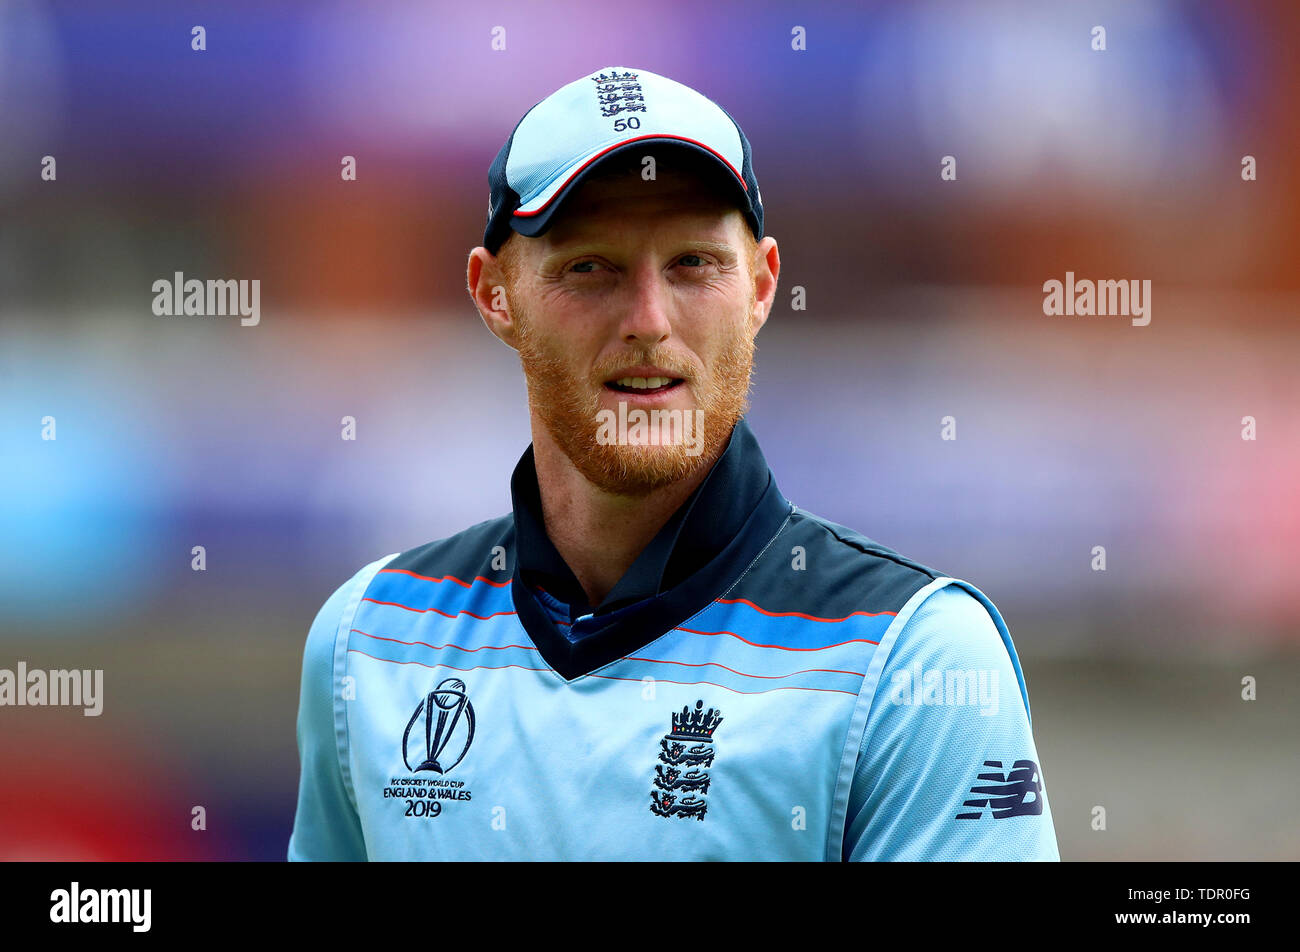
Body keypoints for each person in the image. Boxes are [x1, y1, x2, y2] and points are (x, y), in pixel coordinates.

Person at [288, 66, 1059, 860]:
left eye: (693, 264)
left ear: (762, 286)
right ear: (495, 296)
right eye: (590, 268)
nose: (649, 322)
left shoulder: (914, 663)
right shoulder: (369, 640)